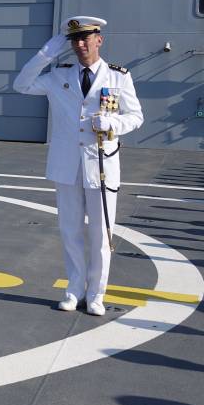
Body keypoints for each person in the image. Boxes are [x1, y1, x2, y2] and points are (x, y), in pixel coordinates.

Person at [13, 16, 143, 316]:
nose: (81, 44)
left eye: (86, 38)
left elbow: (136, 117)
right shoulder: (59, 75)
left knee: (100, 235)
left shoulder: (118, 77)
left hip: (101, 165)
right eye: (75, 40)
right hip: (66, 165)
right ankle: (74, 289)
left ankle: (96, 294)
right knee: (70, 231)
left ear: (100, 40)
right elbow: (21, 84)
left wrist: (113, 122)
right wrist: (48, 52)